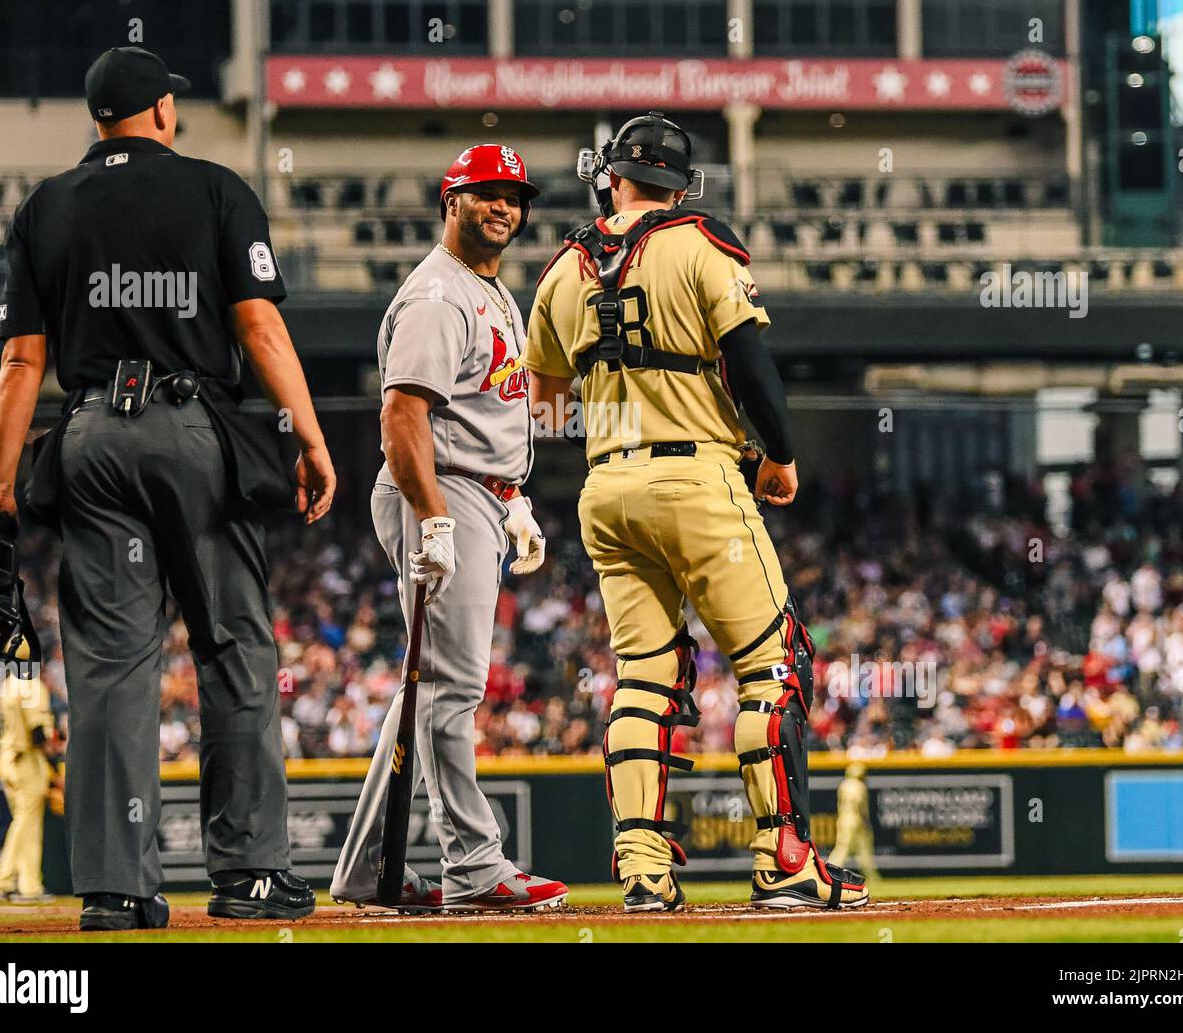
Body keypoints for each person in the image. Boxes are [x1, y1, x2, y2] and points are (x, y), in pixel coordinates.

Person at [0, 46, 336, 931]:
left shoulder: (45, 206)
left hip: (91, 433)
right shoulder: (215, 189)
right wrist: (311, 438)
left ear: (99, 120)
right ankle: (248, 873)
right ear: (162, 112)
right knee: (233, 649)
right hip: (190, 428)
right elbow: (261, 329)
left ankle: (116, 889)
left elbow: (22, 362)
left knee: (110, 671)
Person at [523, 111, 868, 912]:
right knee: (774, 664)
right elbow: (750, 362)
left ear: (610, 175)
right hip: (698, 481)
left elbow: (542, 407)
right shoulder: (700, 243)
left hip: (607, 488)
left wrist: (621, 414)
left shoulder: (560, 269)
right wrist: (775, 452)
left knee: (643, 676)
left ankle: (642, 869)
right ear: (682, 186)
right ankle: (785, 862)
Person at [331, 144, 567, 913]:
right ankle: (474, 864)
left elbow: (485, 408)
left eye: (513, 196)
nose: (503, 206)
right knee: (453, 688)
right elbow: (403, 415)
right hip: (443, 492)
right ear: (451, 200)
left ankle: (369, 869)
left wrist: (514, 496)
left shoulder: (490, 290)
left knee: (426, 689)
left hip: (479, 492)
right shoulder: (438, 293)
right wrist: (435, 519)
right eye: (486, 193)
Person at [0, 661, 58, 904]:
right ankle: (2, 880)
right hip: (27, 758)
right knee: (26, 821)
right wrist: (55, 768)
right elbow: (37, 732)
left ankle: (29, 885)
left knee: (28, 821)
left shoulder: (7, 685)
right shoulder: (32, 686)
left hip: (7, 756)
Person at [830, 761, 879, 878]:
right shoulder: (859, 785)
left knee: (857, 848)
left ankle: (872, 876)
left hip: (843, 818)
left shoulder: (844, 784)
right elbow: (860, 805)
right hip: (855, 818)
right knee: (853, 848)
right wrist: (865, 821)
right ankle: (830, 872)